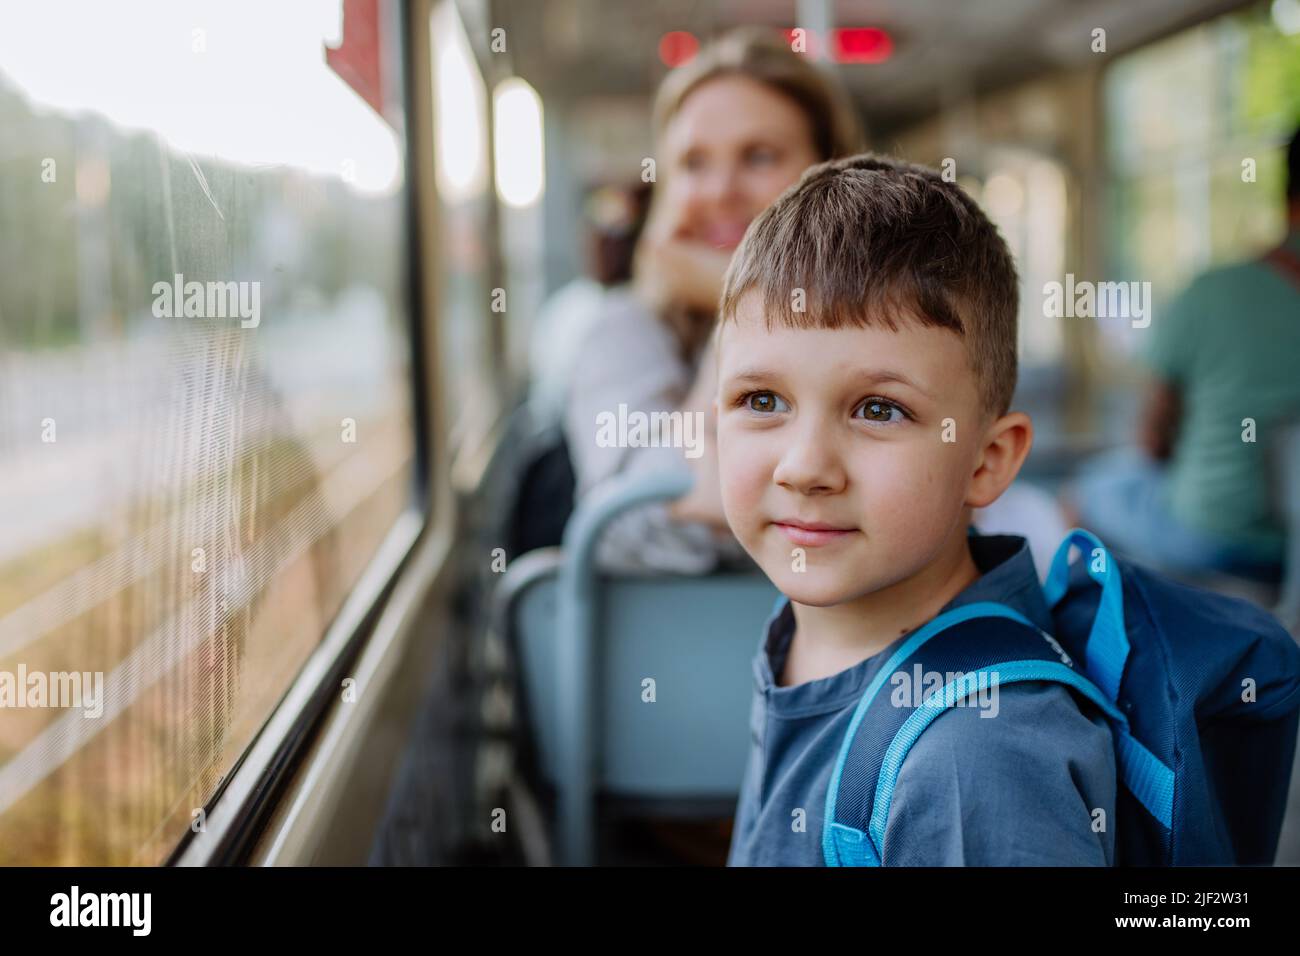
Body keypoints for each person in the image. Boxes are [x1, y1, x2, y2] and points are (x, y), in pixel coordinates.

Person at [714, 155, 1116, 865]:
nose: (804, 466)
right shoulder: (810, 630)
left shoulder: (976, 754)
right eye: (762, 400)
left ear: (987, 461)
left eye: (878, 409)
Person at [563, 27, 863, 573]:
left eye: (759, 156)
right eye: (694, 163)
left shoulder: (888, 326)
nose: (722, 189)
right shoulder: (623, 330)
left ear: (831, 175)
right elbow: (638, 526)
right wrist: (742, 304)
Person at [1069, 127, 1300, 581]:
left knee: (1084, 493)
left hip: (1214, 531)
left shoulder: (1214, 291)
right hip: (1290, 553)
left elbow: (1152, 441)